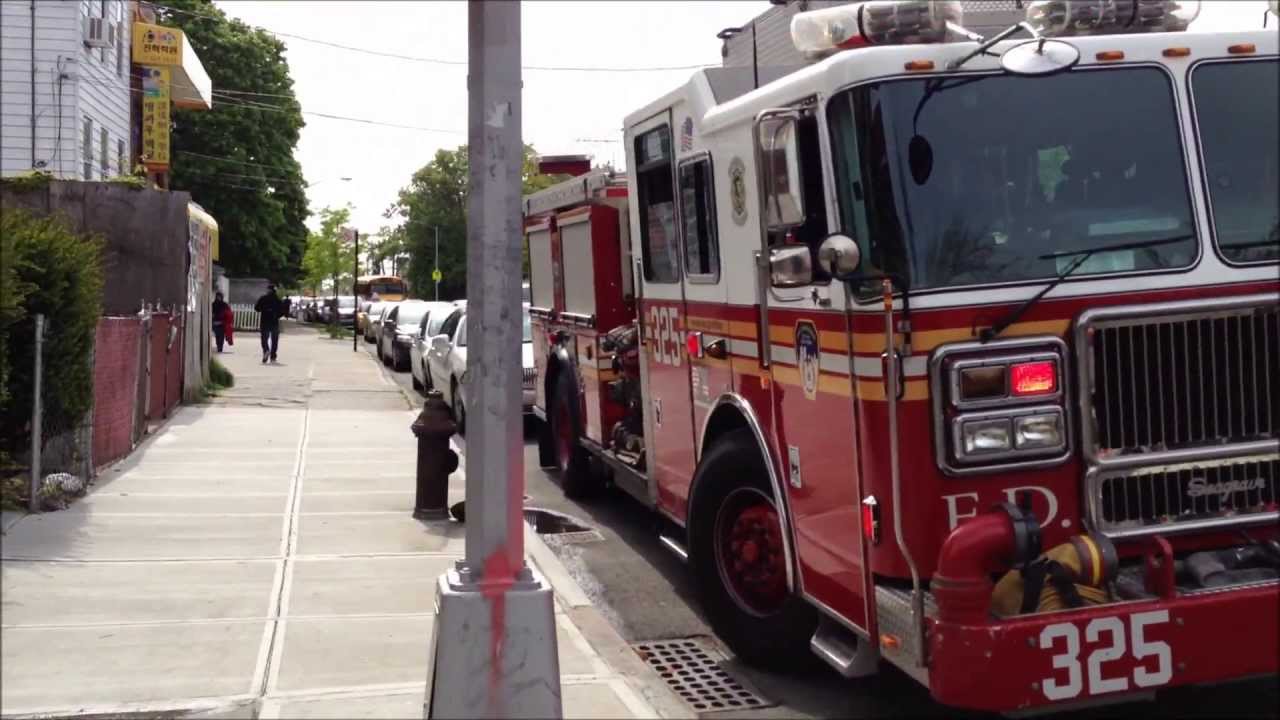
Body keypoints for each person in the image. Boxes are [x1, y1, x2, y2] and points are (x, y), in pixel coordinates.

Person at [254, 283, 286, 363]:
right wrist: (276, 315)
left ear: (268, 290)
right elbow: (282, 311)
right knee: (274, 340)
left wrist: (263, 309)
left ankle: (266, 350)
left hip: (265, 321)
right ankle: (273, 356)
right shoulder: (278, 300)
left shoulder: (263, 298)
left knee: (264, 338)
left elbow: (256, 308)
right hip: (274, 322)